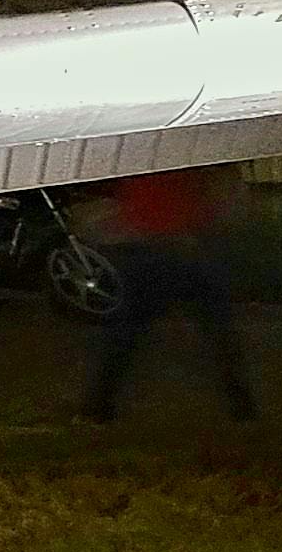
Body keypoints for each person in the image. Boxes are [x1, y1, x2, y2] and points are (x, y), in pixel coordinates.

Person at [77, 163, 258, 426]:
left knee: (125, 334)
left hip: (160, 243)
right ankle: (242, 407)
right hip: (177, 242)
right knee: (215, 332)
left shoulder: (145, 149)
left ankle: (97, 409)